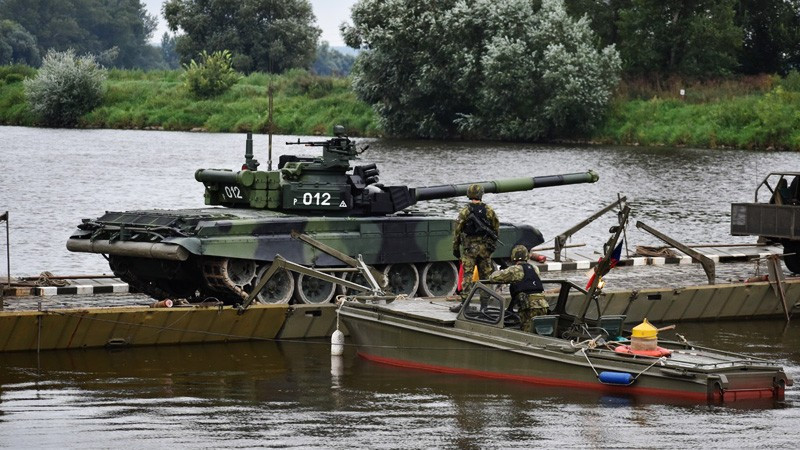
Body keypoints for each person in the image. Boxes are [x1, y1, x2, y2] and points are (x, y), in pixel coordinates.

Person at [450, 183, 499, 312]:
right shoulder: (489, 210)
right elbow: (496, 228)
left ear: (469, 194)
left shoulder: (465, 211)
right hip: (485, 249)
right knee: (485, 277)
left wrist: (455, 248)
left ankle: (465, 305)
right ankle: (484, 306)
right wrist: (491, 246)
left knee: (467, 275)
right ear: (481, 194)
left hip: (470, 249)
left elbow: (457, 231)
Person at [485, 245, 550, 332]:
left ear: (513, 256)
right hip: (543, 304)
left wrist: (502, 271)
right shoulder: (535, 268)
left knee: (526, 333)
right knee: (539, 331)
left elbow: (493, 278)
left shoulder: (514, 269)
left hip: (529, 306)